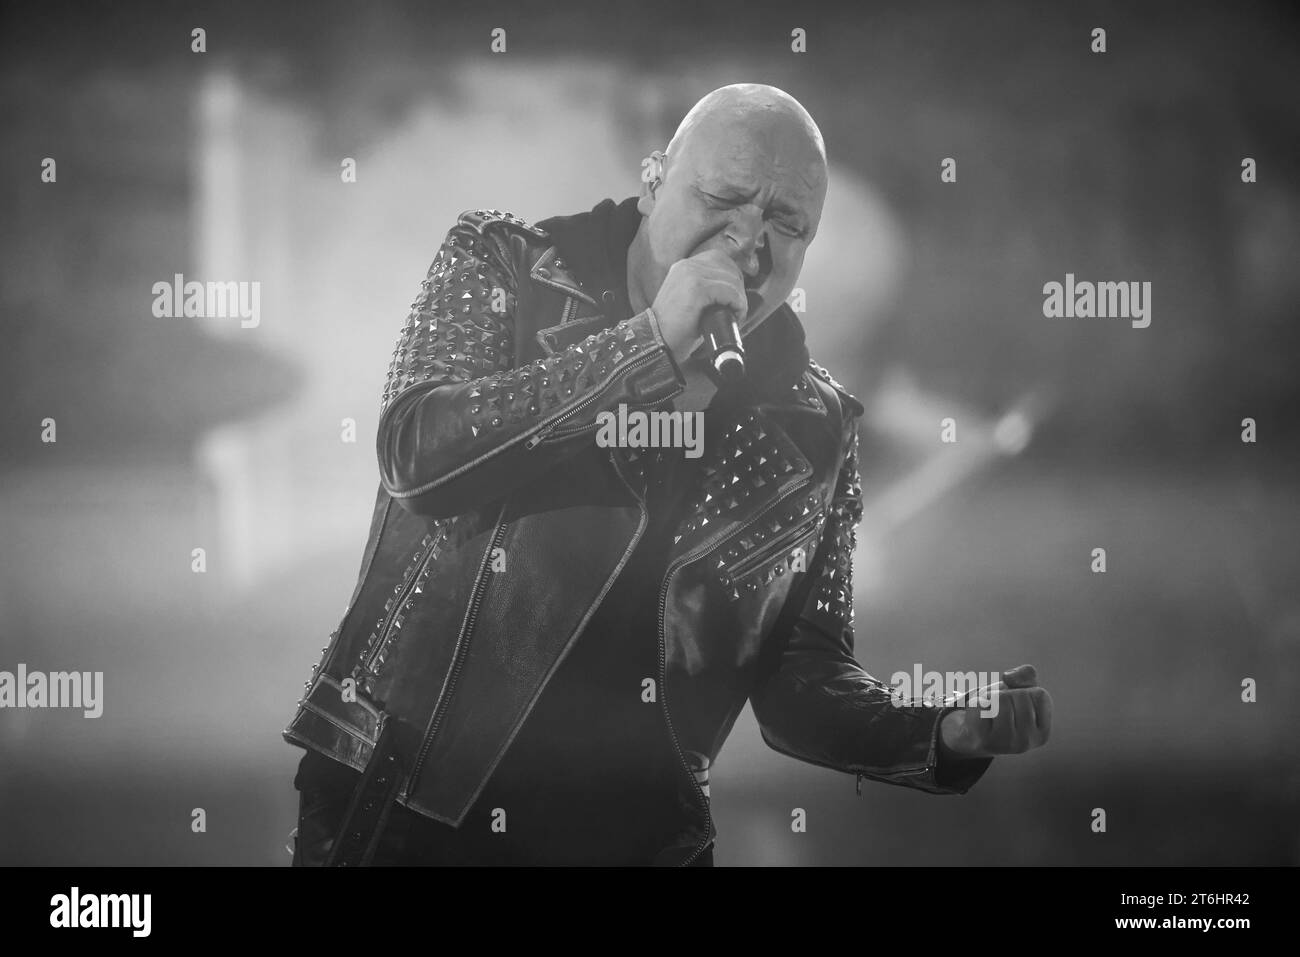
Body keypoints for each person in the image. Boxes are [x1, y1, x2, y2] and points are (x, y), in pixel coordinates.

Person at [284, 83, 1052, 867]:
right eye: (722, 197)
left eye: (787, 224)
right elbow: (420, 454)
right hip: (410, 813)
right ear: (654, 180)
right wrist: (643, 346)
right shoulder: (506, 265)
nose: (749, 243)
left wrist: (936, 731)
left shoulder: (814, 425)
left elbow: (802, 677)